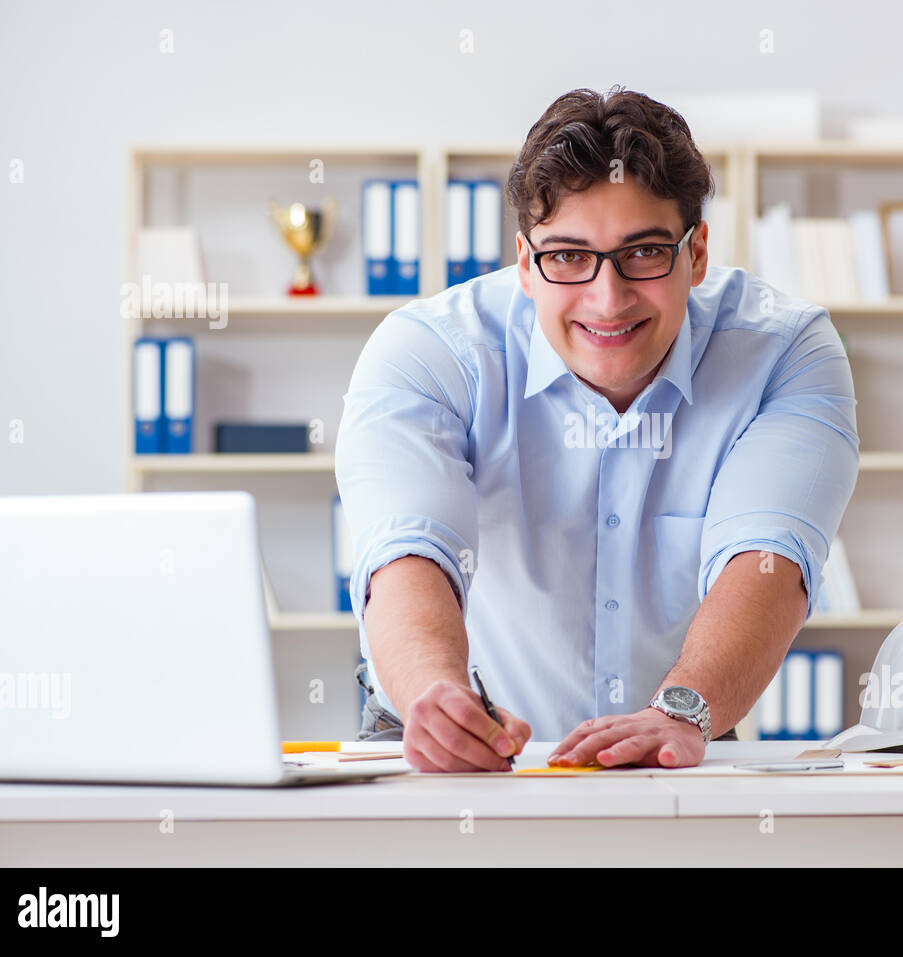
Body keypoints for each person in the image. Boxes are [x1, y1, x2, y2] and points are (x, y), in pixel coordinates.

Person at [336, 85, 859, 772]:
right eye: (568, 256)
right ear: (526, 262)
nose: (606, 299)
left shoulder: (784, 353)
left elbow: (766, 560)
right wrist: (439, 696)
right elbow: (409, 550)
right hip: (445, 732)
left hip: (678, 730)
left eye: (643, 252)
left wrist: (683, 710)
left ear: (696, 253)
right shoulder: (429, 352)